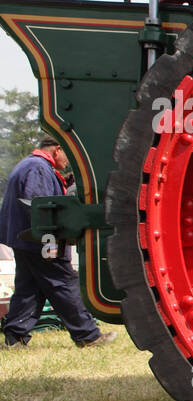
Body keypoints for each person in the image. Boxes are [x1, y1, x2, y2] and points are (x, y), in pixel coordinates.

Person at [0, 137, 113, 348]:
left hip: (26, 240)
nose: (67, 162)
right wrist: (50, 242)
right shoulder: (38, 168)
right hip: (39, 240)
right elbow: (40, 206)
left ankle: (14, 337)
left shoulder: (31, 165)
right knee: (63, 282)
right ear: (57, 149)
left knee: (29, 288)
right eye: (66, 157)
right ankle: (88, 336)